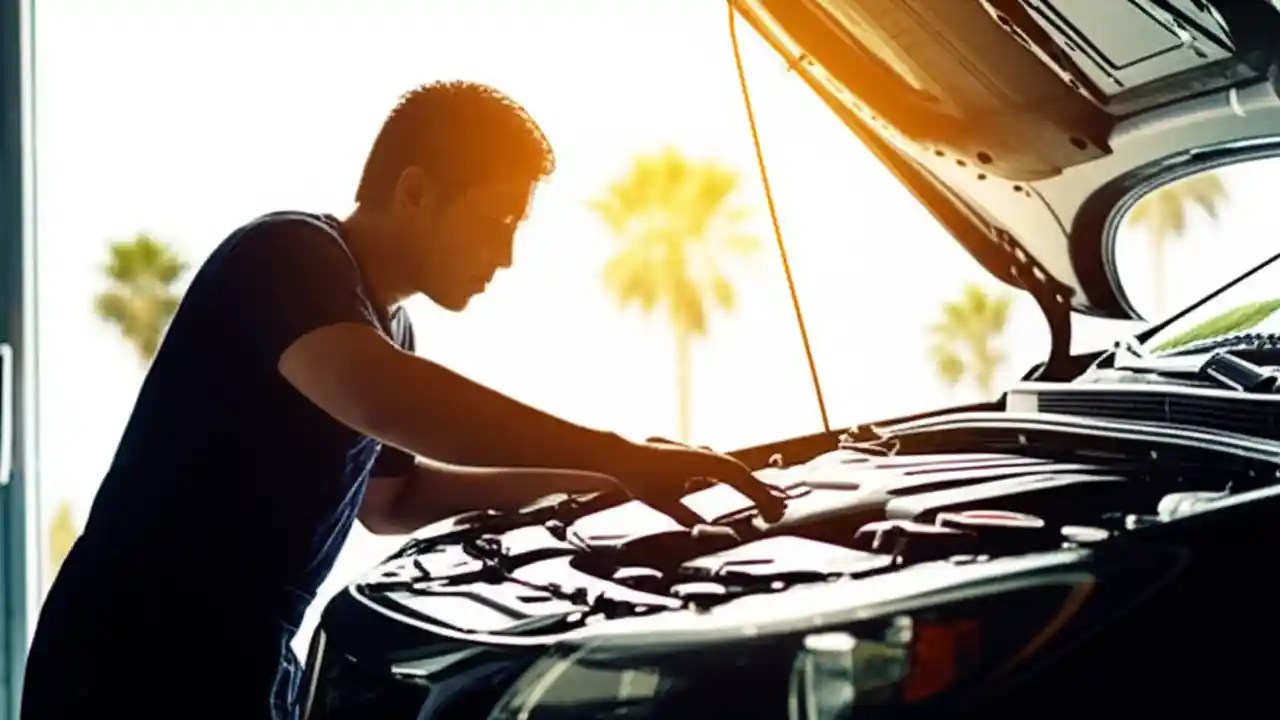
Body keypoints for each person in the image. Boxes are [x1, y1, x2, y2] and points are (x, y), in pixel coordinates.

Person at [19, 80, 786, 719]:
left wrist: (606, 483)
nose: (508, 256)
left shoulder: (391, 326)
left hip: (246, 670)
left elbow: (394, 498)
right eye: (498, 222)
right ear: (415, 191)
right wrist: (612, 451)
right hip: (129, 664)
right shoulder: (287, 255)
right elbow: (382, 400)